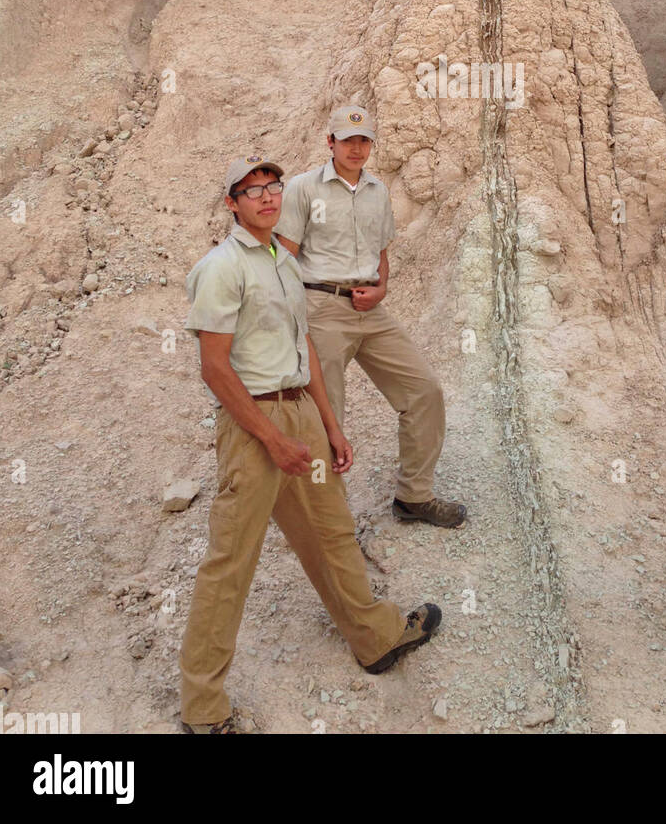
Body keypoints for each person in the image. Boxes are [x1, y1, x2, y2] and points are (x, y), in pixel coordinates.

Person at [179, 154, 441, 734]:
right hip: (255, 431)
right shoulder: (221, 267)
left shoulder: (283, 263)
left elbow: (305, 355)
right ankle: (203, 708)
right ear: (232, 203)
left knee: (333, 530)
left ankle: (375, 638)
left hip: (300, 417)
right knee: (230, 564)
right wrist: (273, 441)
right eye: (252, 191)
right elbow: (215, 370)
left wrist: (331, 427)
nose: (268, 197)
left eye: (272, 187)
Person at [276, 107, 466, 528]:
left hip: (371, 308)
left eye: (364, 141)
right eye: (348, 140)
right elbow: (284, 256)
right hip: (321, 306)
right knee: (327, 414)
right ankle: (329, 522)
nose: (357, 148)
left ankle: (414, 497)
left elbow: (382, 253)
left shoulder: (378, 191)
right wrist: (294, 317)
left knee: (424, 390)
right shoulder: (303, 189)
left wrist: (381, 289)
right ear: (331, 143)